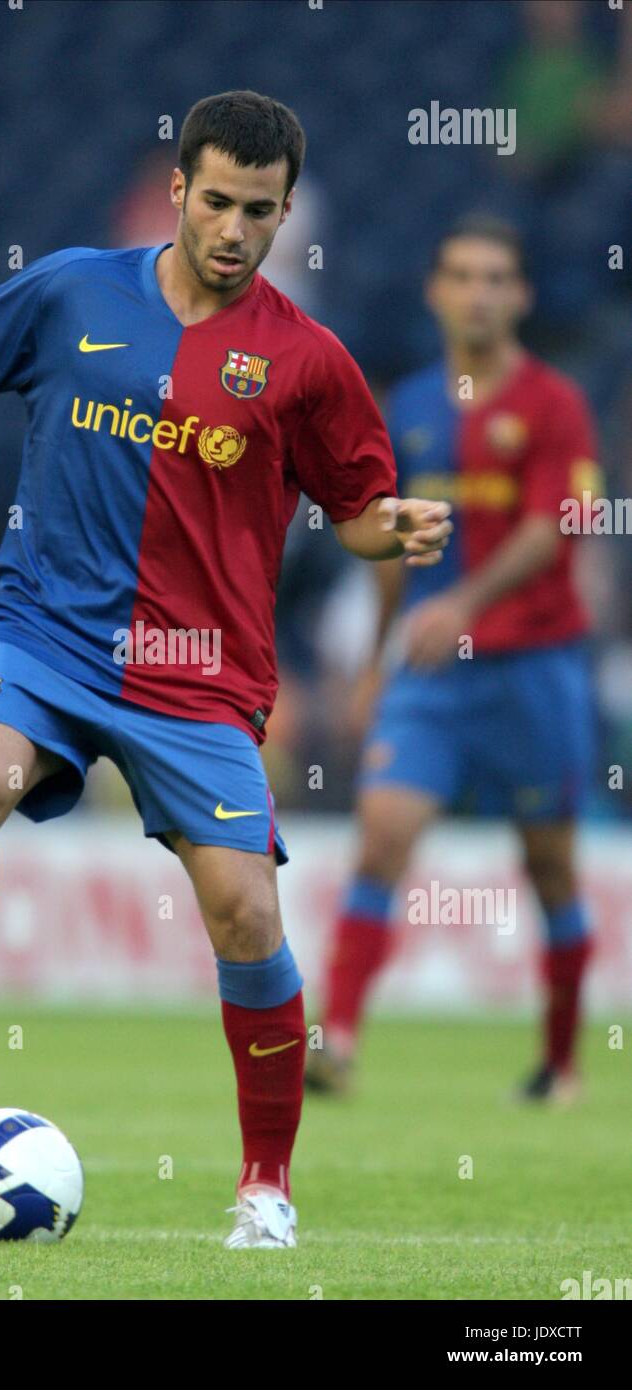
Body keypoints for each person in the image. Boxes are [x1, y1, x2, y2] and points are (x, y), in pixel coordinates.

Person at [0, 89, 450, 1249]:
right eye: (214, 200)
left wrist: (391, 528)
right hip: (46, 631)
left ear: (285, 216)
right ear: (177, 190)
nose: (231, 227)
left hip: (201, 673)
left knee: (248, 913)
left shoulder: (309, 363)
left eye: (257, 211)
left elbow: (358, 510)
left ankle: (267, 1188)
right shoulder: (71, 289)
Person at [305, 216, 598, 1105]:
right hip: (431, 673)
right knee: (382, 839)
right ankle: (340, 1041)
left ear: (521, 296)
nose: (480, 292)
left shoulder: (556, 405)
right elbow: (396, 542)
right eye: (464, 275)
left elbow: (558, 531)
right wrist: (376, 659)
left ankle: (558, 1065)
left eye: (497, 277)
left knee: (548, 865)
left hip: (534, 667)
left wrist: (463, 606)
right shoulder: (412, 409)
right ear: (436, 292)